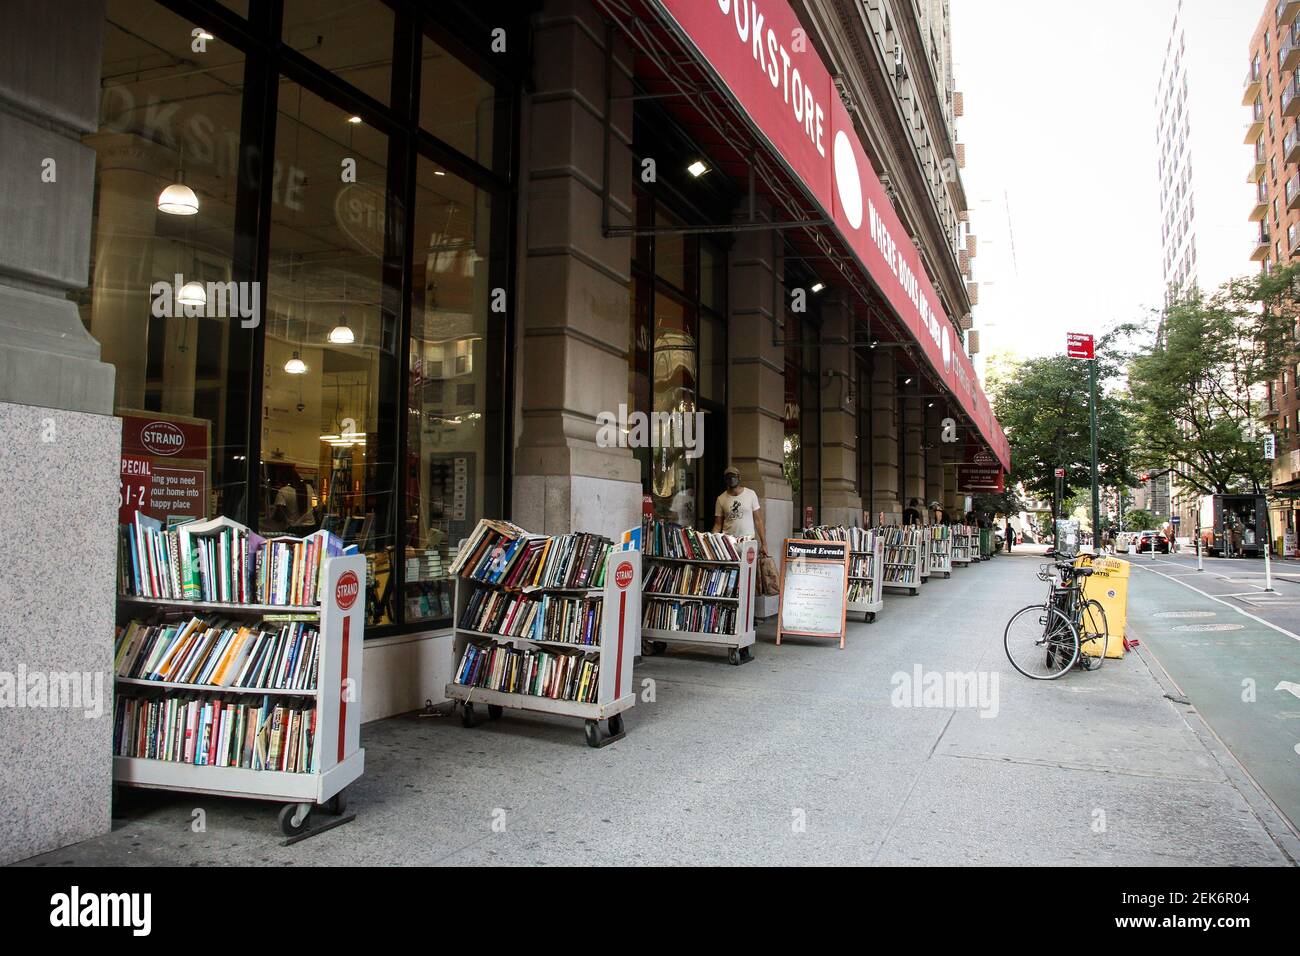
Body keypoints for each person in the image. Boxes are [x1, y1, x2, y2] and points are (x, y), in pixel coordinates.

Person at [713, 465, 768, 555]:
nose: (731, 479)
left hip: (748, 542)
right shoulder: (721, 499)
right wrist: (711, 540)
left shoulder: (751, 494)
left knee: (749, 568)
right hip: (728, 543)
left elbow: (758, 520)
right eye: (728, 477)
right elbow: (718, 524)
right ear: (725, 479)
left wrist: (764, 543)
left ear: (739, 477)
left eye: (734, 476)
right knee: (730, 569)